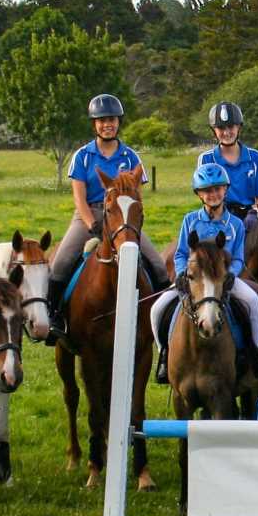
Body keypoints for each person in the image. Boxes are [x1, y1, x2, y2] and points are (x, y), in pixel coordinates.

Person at [45, 93, 168, 339]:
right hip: (89, 214)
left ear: (118, 122)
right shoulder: (83, 156)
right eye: (101, 120)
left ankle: (162, 321)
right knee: (60, 263)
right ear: (94, 124)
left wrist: (129, 225)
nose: (107, 124)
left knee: (158, 266)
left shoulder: (131, 157)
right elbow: (79, 197)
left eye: (111, 119)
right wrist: (92, 224)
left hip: (124, 218)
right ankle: (55, 317)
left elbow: (137, 198)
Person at [171, 161, 258, 378]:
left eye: (217, 189)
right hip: (194, 281)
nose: (213, 194)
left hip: (223, 280)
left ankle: (255, 352)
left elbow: (238, 258)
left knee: (253, 302)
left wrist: (230, 275)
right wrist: (181, 273)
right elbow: (180, 253)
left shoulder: (236, 224)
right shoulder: (190, 220)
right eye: (207, 190)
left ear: (225, 190)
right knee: (159, 309)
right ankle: (164, 355)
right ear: (199, 194)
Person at [199, 101, 258, 245]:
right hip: (218, 218)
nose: (226, 132)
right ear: (214, 130)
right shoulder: (206, 159)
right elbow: (205, 197)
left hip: (251, 219)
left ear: (239, 127)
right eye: (221, 128)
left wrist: (255, 213)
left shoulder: (255, 157)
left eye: (231, 126)